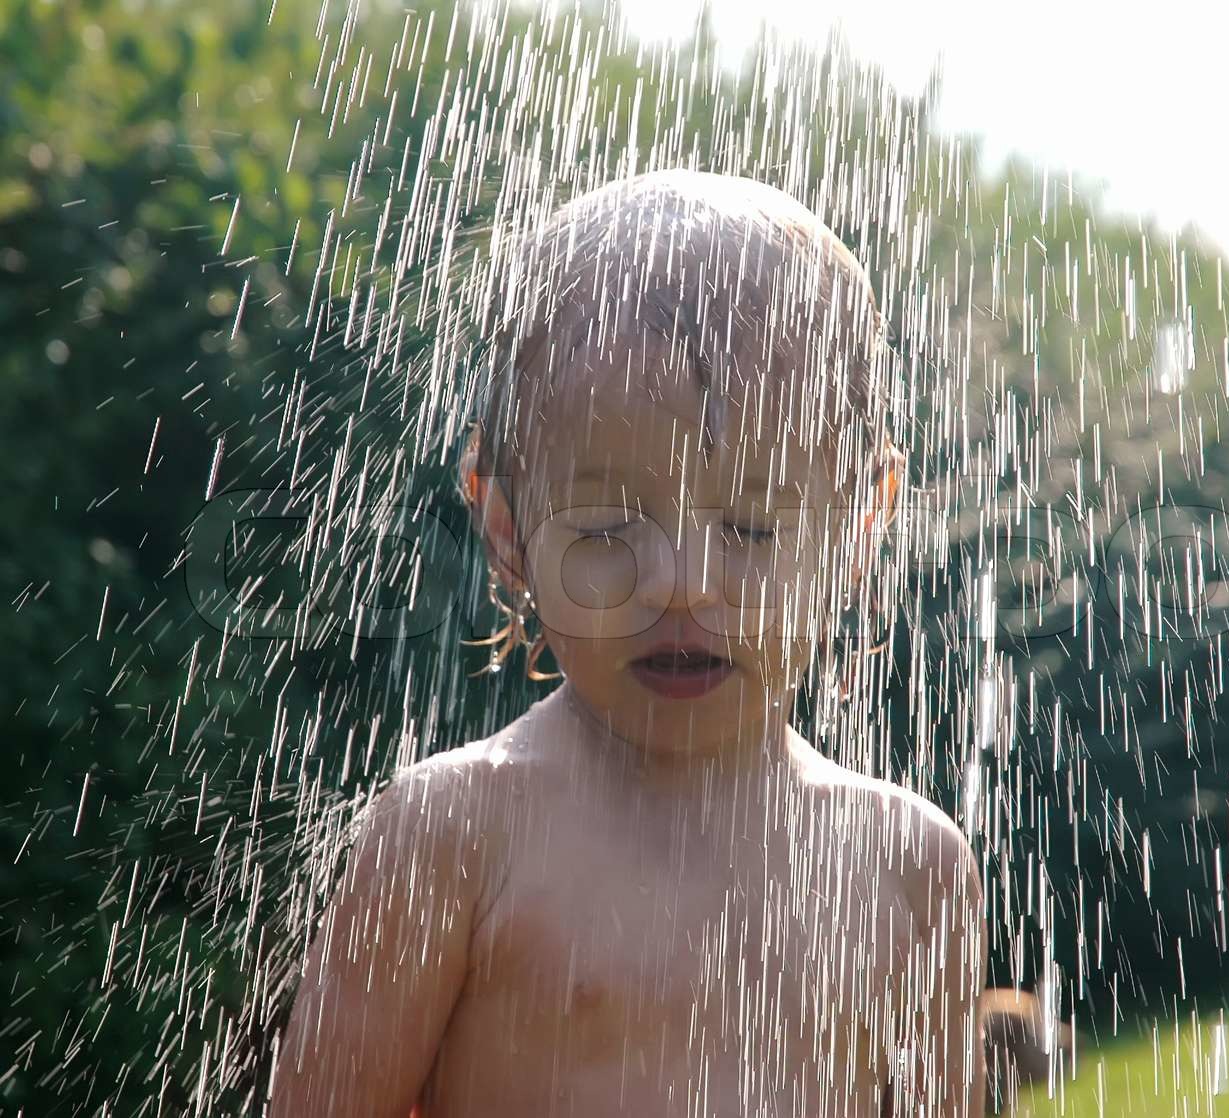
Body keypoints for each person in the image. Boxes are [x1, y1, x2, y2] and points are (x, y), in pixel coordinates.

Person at [270, 169, 987, 1117]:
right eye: (607, 528)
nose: (681, 583)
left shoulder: (911, 866)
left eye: (753, 528)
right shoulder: (457, 833)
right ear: (507, 528)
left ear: (860, 525)